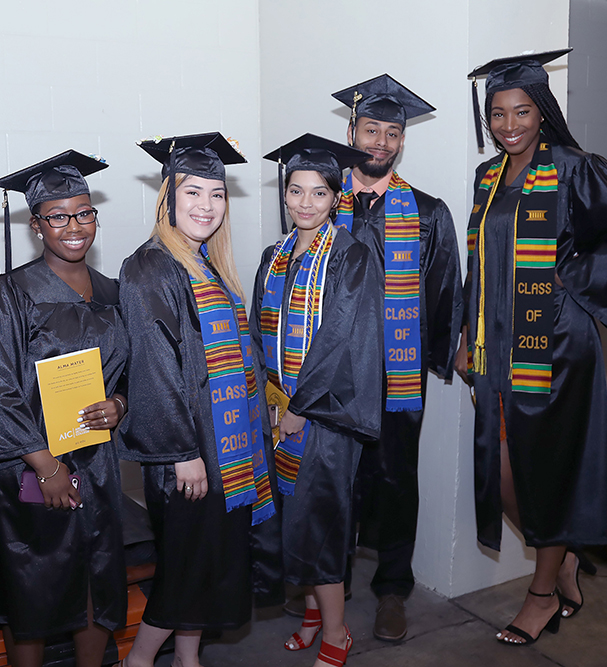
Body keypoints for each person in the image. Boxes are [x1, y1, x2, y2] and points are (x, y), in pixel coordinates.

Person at [457, 49, 607, 645]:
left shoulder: (575, 168)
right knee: (503, 477)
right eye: (498, 114)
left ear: (542, 112)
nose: (509, 125)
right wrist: (467, 337)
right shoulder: (487, 177)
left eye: (522, 111)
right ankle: (566, 555)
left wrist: (572, 274)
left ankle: (542, 593)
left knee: (549, 473)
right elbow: (480, 263)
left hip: (555, 349)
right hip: (494, 349)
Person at [117, 132, 281, 667]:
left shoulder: (207, 263)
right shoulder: (149, 266)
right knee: (185, 572)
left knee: (206, 566)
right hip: (189, 452)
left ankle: (188, 659)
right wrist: (183, 452)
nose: (206, 205)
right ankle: (139, 660)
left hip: (226, 446)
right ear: (168, 197)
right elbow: (153, 368)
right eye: (192, 192)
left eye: (216, 194)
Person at [328, 74, 463, 641]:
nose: (380, 142)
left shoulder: (427, 212)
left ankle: (391, 590)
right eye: (370, 130)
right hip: (331, 372)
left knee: (395, 476)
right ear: (352, 132)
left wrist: (449, 353)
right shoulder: (319, 201)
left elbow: (445, 288)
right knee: (330, 475)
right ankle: (328, 584)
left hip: (395, 371)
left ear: (402, 140)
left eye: (391, 133)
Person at [0, 151, 128, 667]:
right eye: (58, 216)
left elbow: (129, 373)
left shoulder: (112, 291)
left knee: (96, 575)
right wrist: (45, 465)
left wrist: (119, 404)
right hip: (30, 464)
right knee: (34, 581)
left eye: (84, 213)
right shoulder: (9, 293)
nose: (74, 226)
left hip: (97, 461)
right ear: (36, 224)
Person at [253, 134, 383, 667]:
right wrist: (270, 404)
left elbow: (339, 338)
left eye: (319, 192)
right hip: (280, 411)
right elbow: (260, 335)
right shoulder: (275, 256)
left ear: (336, 197)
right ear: (284, 194)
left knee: (321, 522)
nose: (305, 203)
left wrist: (300, 408)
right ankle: (310, 615)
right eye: (296, 191)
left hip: (326, 414)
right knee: (294, 518)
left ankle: (336, 631)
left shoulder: (350, 255)